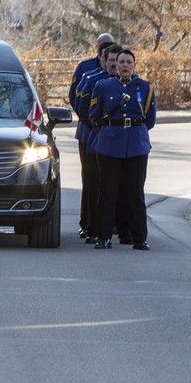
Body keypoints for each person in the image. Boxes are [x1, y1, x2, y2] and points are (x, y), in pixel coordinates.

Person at [89, 49, 156, 250]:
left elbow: (150, 119)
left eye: (129, 62)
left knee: (135, 192)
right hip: (110, 143)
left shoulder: (145, 87)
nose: (125, 65)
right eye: (122, 62)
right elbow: (95, 115)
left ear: (134, 65)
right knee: (107, 191)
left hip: (136, 144)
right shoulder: (103, 86)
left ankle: (139, 238)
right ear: (115, 66)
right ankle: (104, 236)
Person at [74, 41, 121, 242]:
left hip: (118, 140)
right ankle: (90, 225)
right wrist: (97, 127)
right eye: (109, 59)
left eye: (116, 61)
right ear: (101, 58)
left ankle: (115, 225)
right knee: (92, 184)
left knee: (115, 185)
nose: (113, 64)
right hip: (92, 136)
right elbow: (80, 103)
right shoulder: (89, 75)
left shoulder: (128, 83)